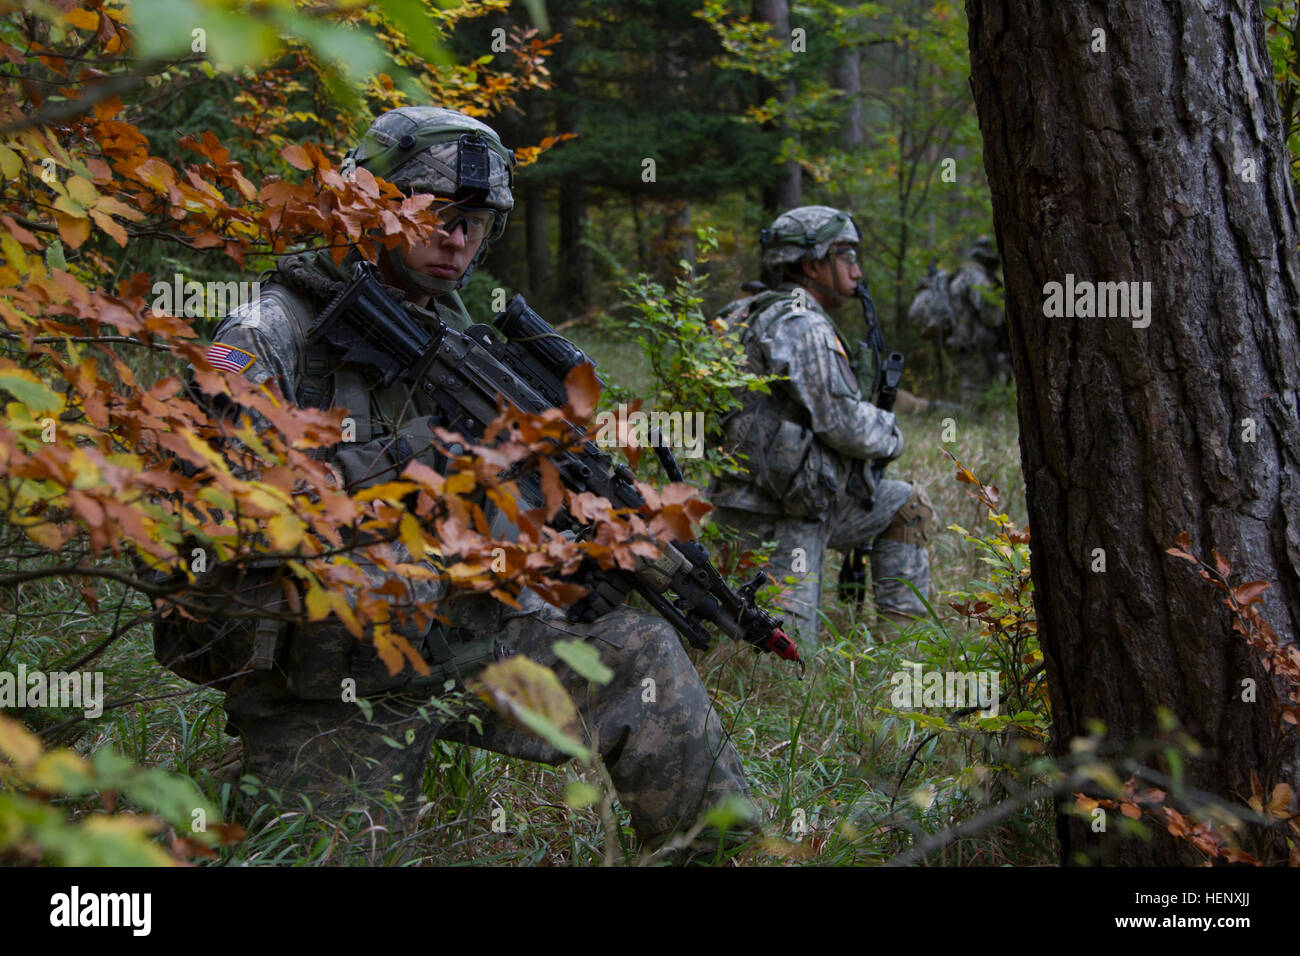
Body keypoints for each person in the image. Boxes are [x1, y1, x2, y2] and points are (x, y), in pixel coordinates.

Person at [173, 106, 750, 855]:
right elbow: (209, 505)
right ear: (375, 202)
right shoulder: (266, 333)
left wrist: (566, 548)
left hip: (463, 645)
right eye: (439, 212)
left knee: (642, 656)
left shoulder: (462, 349)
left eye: (477, 222)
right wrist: (417, 460)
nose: (457, 236)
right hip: (324, 683)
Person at [709, 205, 935, 648]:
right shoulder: (801, 323)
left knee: (906, 504)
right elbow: (843, 424)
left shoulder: (740, 311)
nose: (857, 270)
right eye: (847, 256)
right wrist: (892, 434)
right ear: (813, 265)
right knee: (779, 665)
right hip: (780, 517)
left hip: (772, 501)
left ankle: (905, 653)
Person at [907, 236, 1010, 403]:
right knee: (976, 390)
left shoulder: (960, 275)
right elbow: (990, 313)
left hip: (960, 342)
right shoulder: (975, 276)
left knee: (974, 386)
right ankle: (969, 421)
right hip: (971, 345)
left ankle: (966, 418)